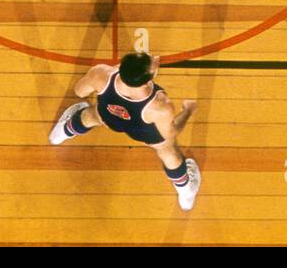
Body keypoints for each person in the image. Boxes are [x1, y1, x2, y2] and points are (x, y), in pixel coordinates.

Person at [49, 51, 202, 211]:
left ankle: (60, 135)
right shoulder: (160, 106)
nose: (156, 59)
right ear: (146, 80)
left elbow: (79, 92)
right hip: (143, 129)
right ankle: (185, 192)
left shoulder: (101, 73)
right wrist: (188, 111)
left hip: (110, 118)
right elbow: (171, 132)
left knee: (91, 115)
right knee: (167, 148)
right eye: (153, 63)